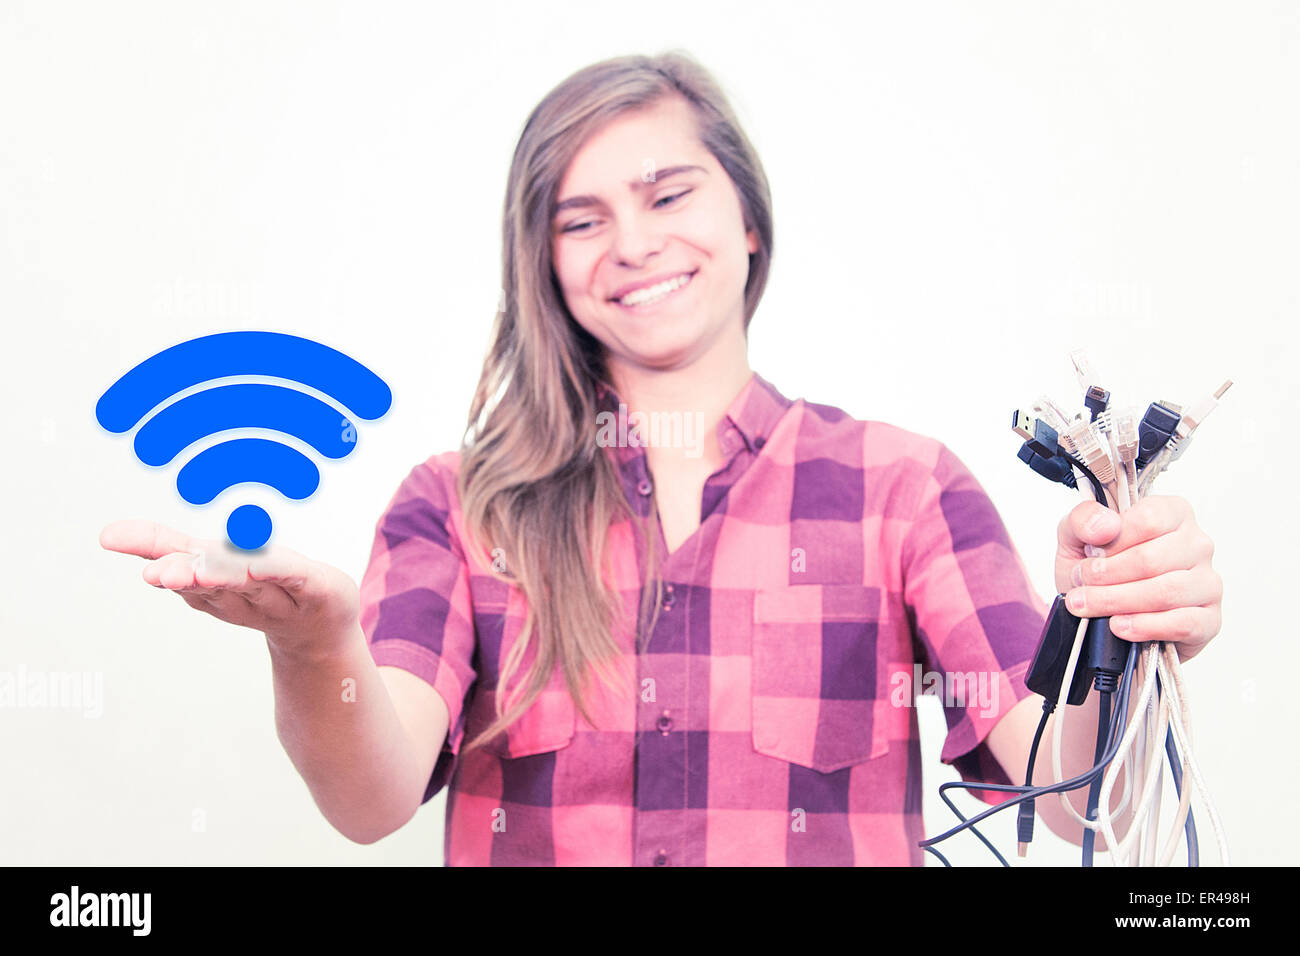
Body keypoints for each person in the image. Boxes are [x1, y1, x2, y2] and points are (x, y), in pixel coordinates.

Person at [100, 51, 1224, 866]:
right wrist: (312, 644)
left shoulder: (905, 489)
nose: (632, 242)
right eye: (579, 219)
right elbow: (368, 792)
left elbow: (1063, 789)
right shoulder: (457, 505)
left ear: (747, 218)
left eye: (667, 194)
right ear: (543, 263)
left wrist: (1117, 627)